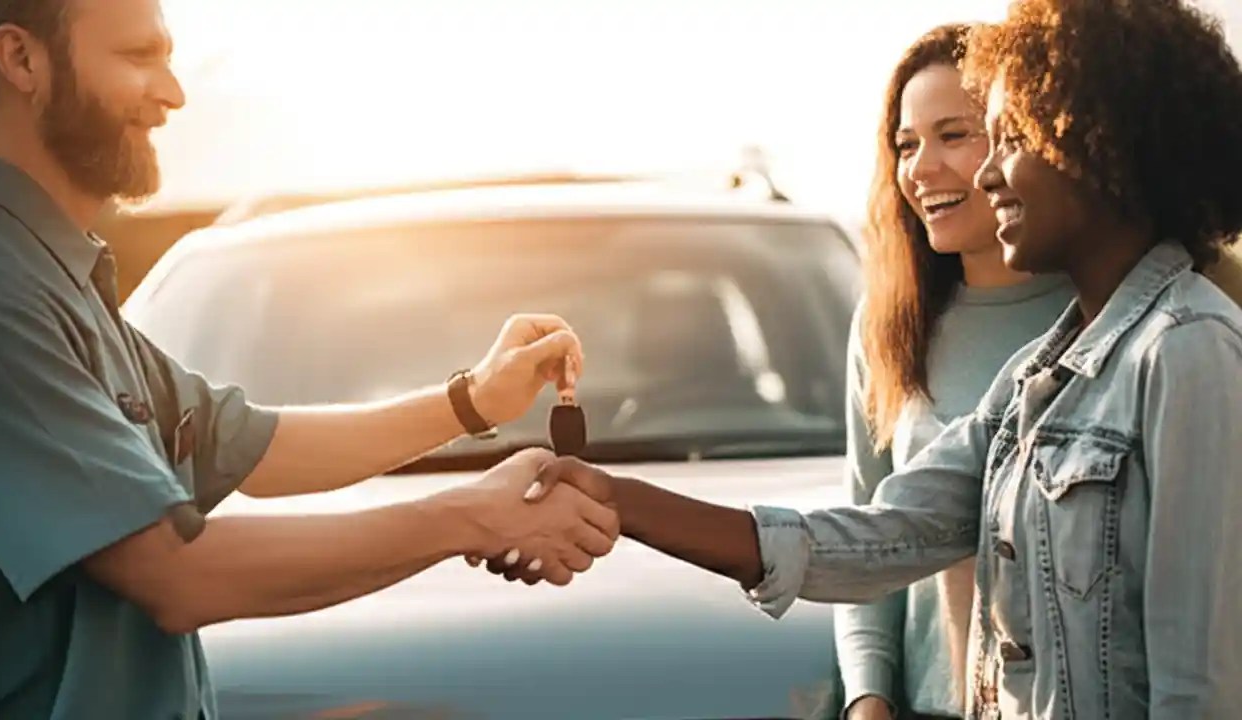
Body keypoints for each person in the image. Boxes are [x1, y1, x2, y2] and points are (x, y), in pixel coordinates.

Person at [490, 0, 1242, 717]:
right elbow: (877, 536)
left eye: (1007, 139)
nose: (983, 175)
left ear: (1095, 144)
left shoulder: (1188, 351)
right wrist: (621, 500)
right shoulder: (1037, 378)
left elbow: (1201, 686)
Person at [0, 1, 617, 718]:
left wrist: (472, 402)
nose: (174, 94)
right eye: (138, 56)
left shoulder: (51, 279)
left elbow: (251, 446)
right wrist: (472, 516)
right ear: (22, 60)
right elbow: (178, 575)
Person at [836, 22, 1075, 720]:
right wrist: (868, 700)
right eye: (906, 144)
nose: (921, 168)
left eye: (953, 134)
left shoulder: (1099, 314)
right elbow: (862, 536)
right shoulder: (887, 326)